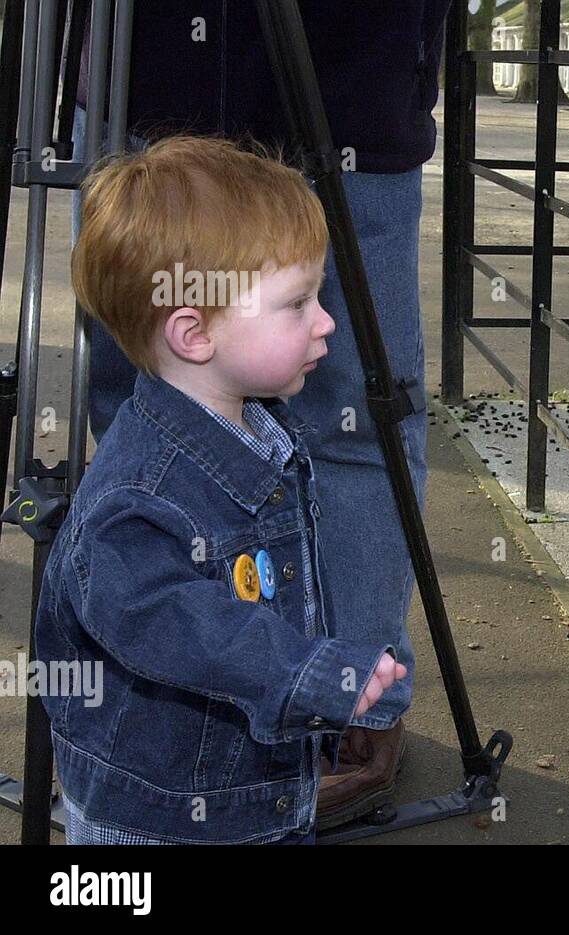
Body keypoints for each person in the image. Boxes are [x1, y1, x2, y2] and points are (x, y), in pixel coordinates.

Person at [72, 0, 451, 825]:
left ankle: (348, 696)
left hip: (351, 70)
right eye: (300, 304)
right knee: (136, 398)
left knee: (358, 409)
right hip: (143, 70)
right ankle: (177, 689)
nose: (322, 318)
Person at [37, 135, 407, 844]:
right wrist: (307, 672)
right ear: (193, 332)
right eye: (297, 302)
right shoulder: (139, 497)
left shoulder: (257, 432)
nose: (326, 321)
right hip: (164, 822)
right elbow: (184, 626)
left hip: (252, 797)